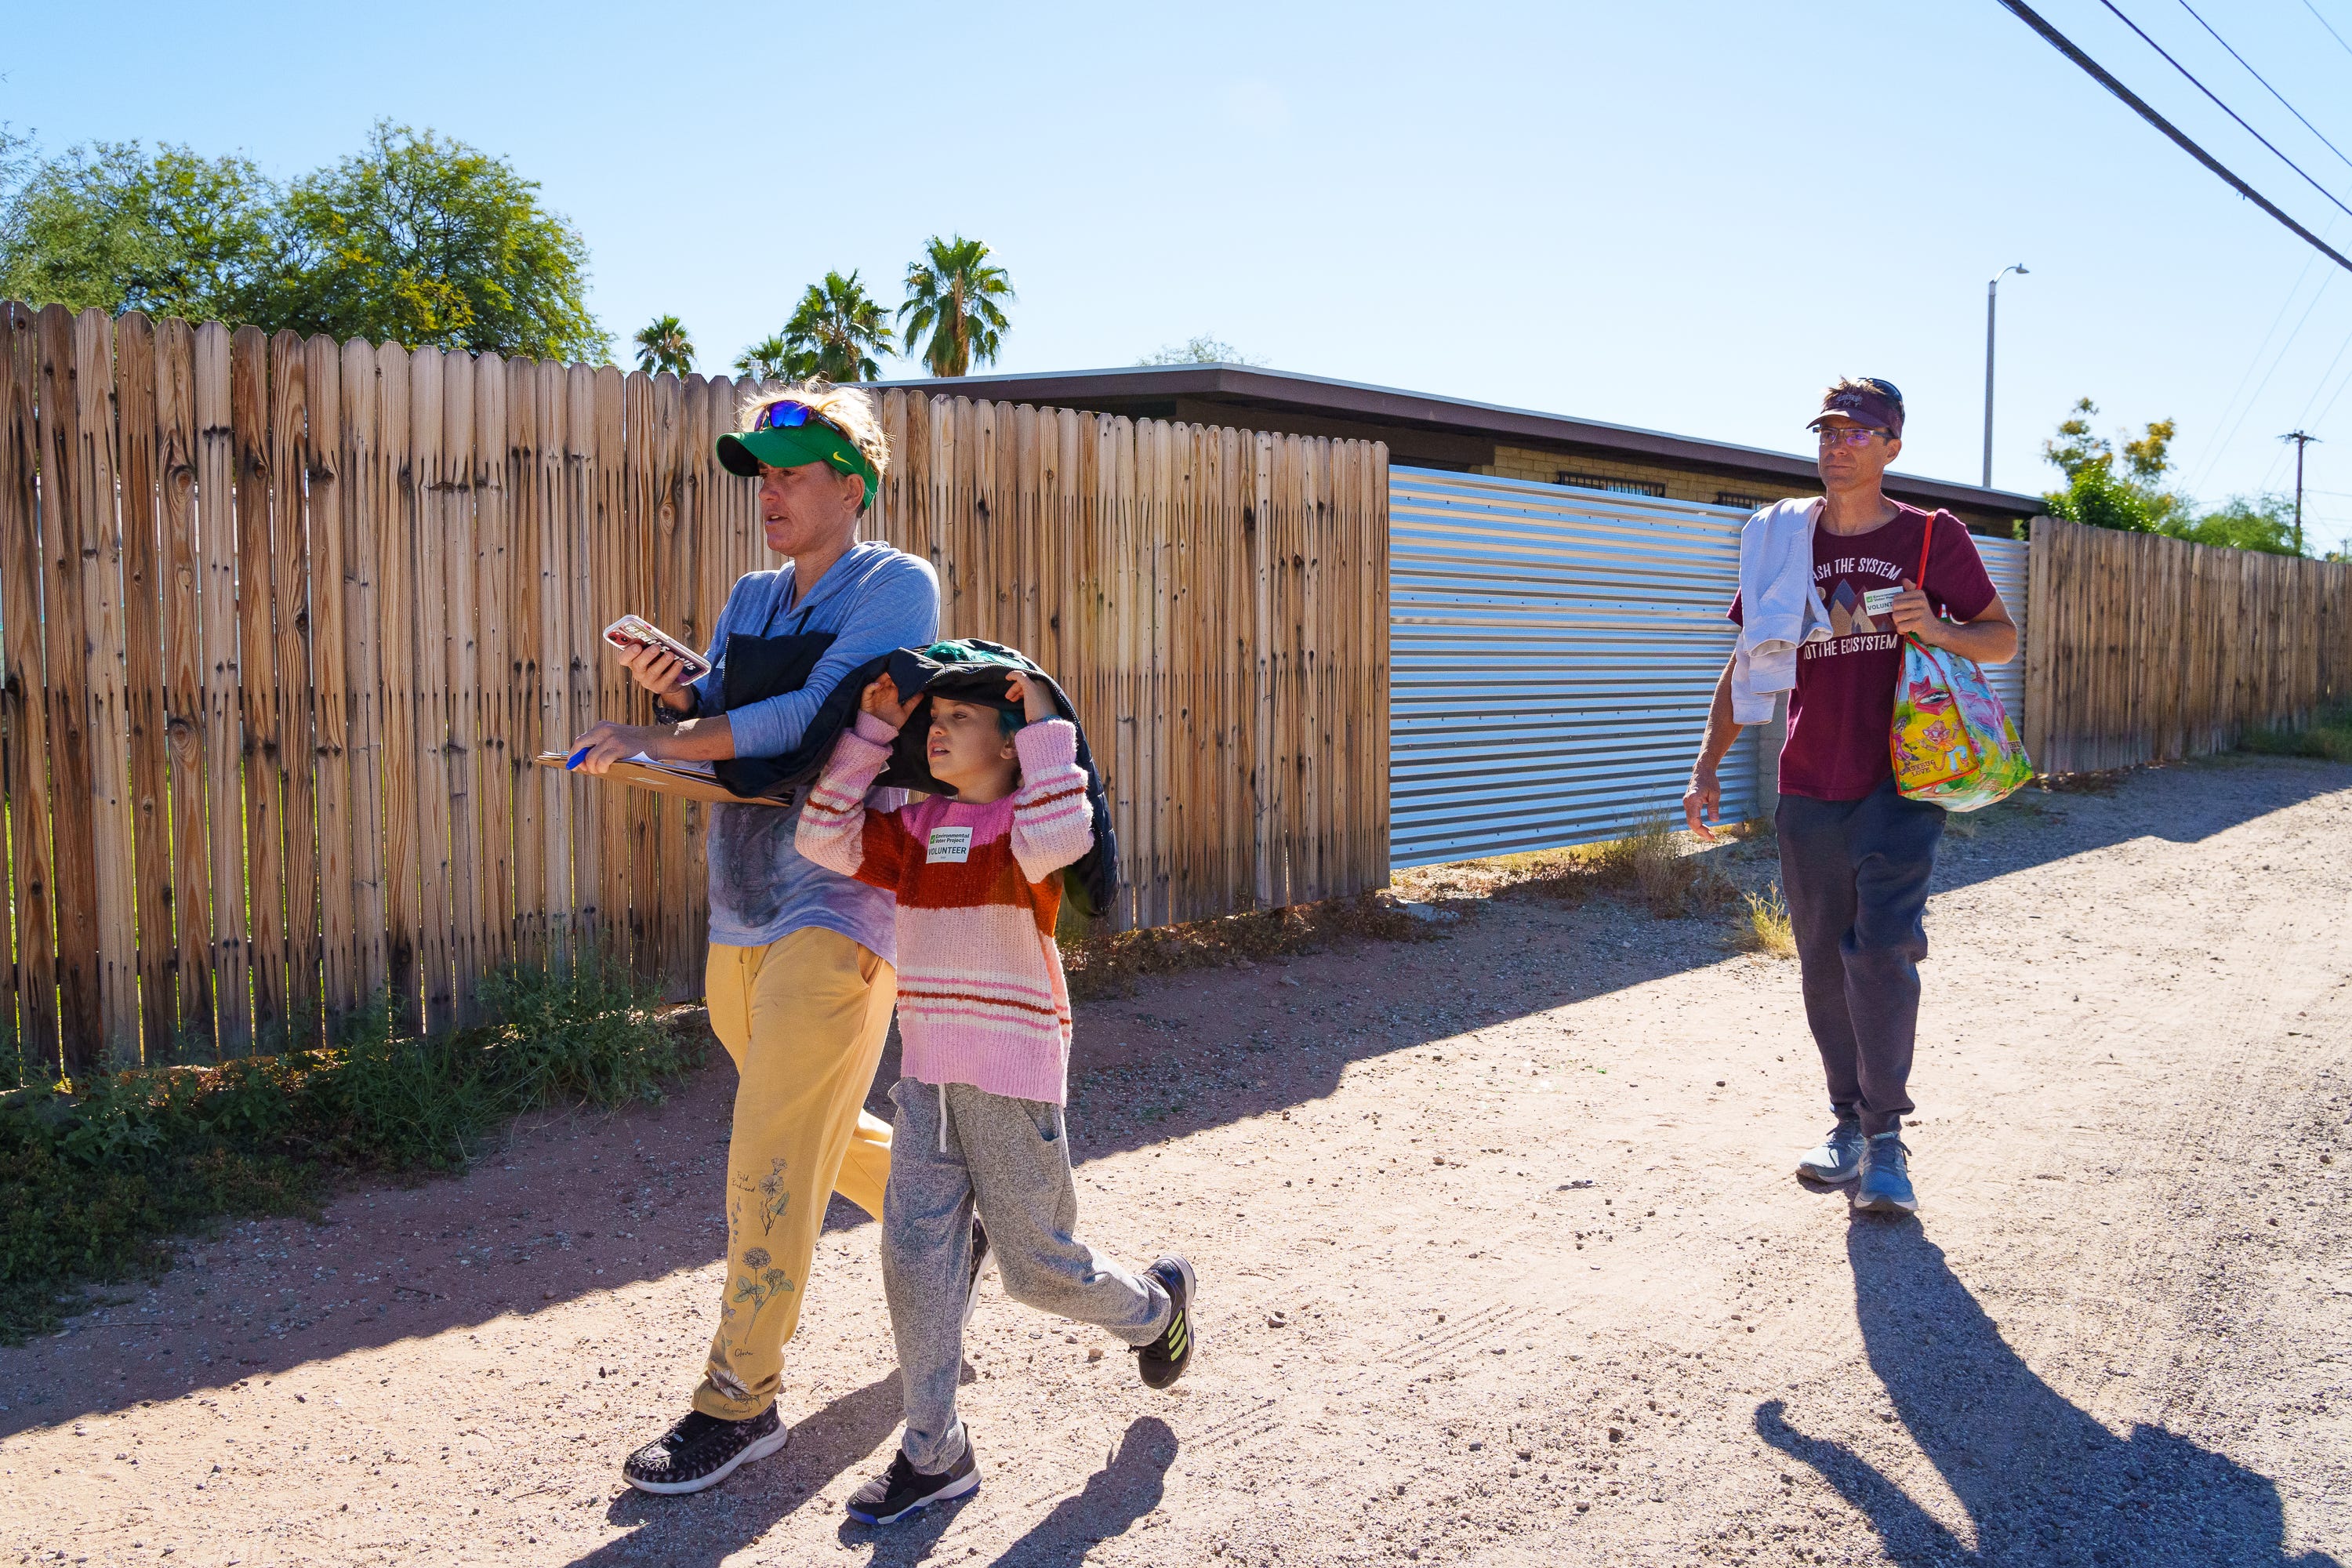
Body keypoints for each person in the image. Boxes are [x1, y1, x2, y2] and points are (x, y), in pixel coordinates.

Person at [569, 385, 942, 1495]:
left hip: (846, 898)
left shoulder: (896, 586)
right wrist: (685, 684)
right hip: (744, 894)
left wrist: (664, 731)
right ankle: (951, 1220)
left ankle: (739, 1401)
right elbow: (739, 714)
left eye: (792, 469)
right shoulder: (749, 595)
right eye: (760, 472)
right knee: (806, 1111)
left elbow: (813, 720)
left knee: (769, 1145)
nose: (769, 490)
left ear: (852, 483)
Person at [795, 652, 1197, 1527]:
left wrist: (1048, 710)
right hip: (931, 1079)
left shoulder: (1026, 827)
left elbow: (1069, 829)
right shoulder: (915, 827)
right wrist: (869, 733)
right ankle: (934, 1452)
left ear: (1013, 748)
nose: (937, 728)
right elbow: (821, 834)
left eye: (963, 718)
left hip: (1010, 1085)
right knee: (911, 1254)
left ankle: (1153, 1306)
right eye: (931, 717)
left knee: (1038, 1273)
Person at [1683, 377, 2017, 1217]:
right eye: (1829, 432)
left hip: (1901, 781)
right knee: (1825, 961)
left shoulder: (1932, 537)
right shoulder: (1782, 541)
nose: (1839, 445)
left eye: (1859, 433)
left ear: (1892, 446)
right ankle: (1845, 1122)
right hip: (1807, 786)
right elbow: (1750, 658)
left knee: (1883, 950)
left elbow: (2001, 637)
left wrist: (1937, 626)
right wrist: (1706, 763)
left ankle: (1888, 1136)